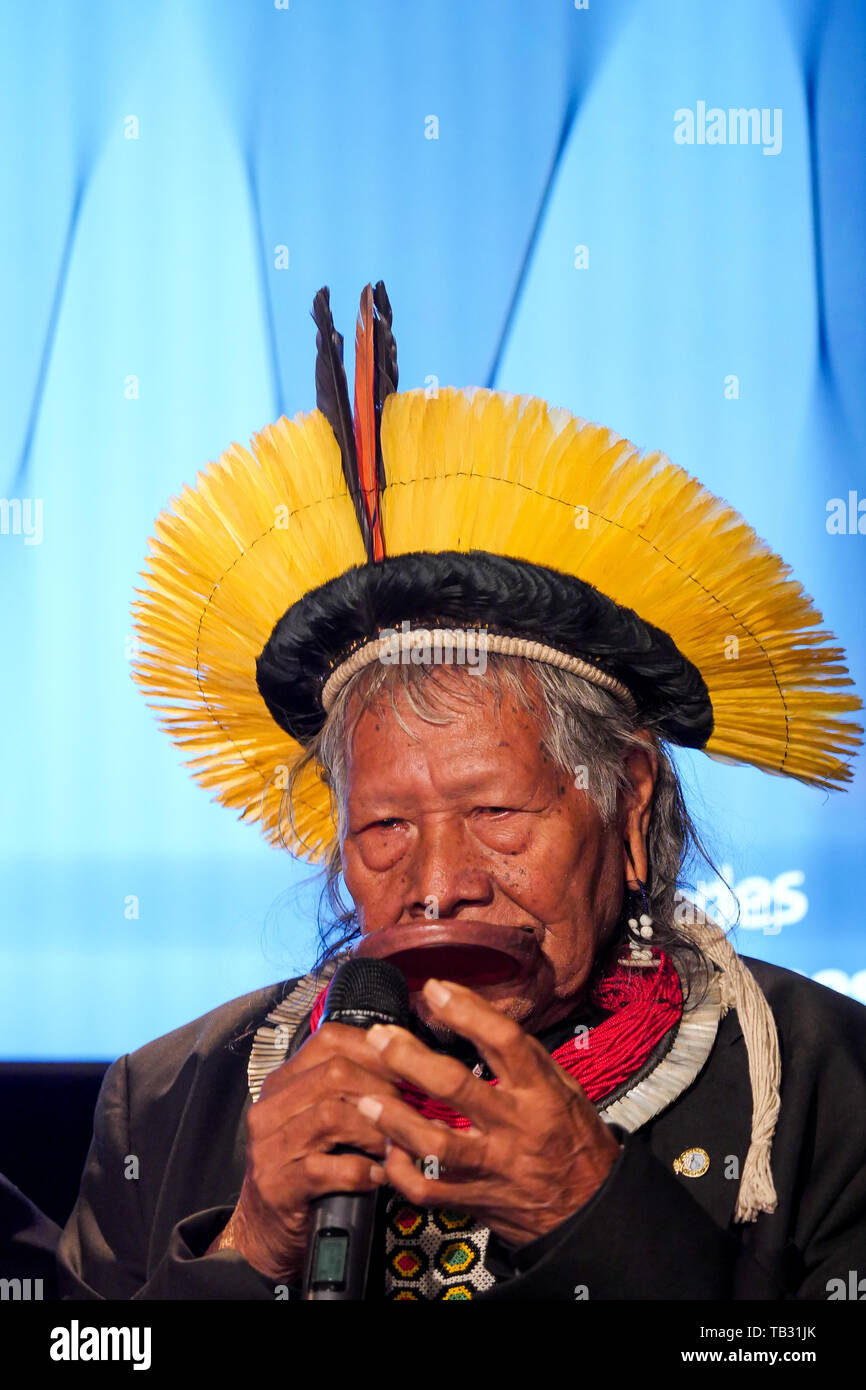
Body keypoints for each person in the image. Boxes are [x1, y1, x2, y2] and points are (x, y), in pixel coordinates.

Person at [58, 283, 866, 1300]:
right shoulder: (171, 1098)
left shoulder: (822, 1084)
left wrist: (595, 1213)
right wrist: (247, 1246)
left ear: (626, 802)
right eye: (385, 826)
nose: (438, 885)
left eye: (494, 815)